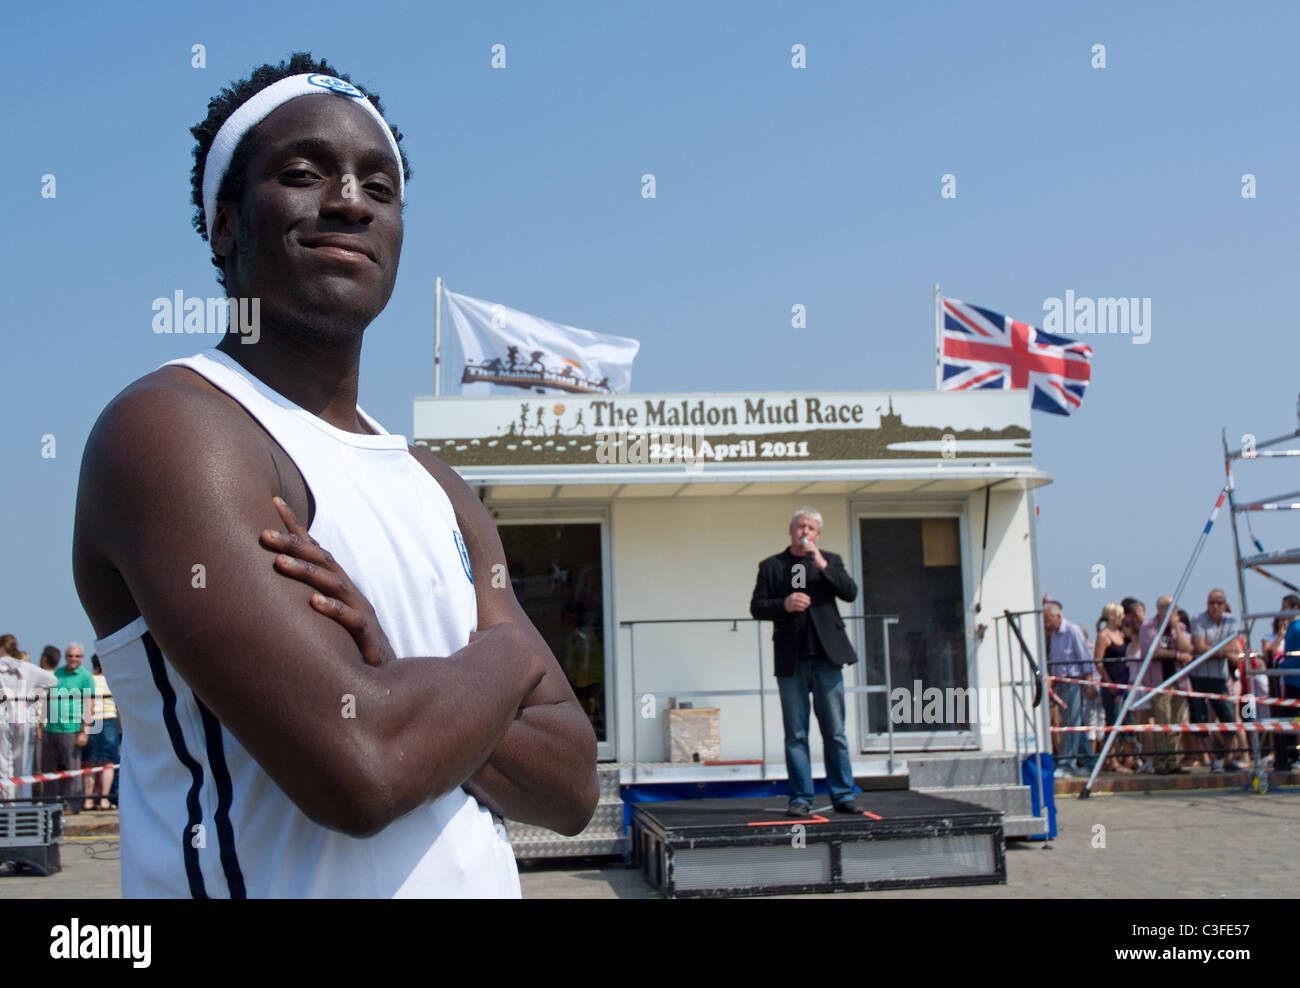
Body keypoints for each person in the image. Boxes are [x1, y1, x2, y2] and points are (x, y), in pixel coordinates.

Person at [71, 54, 597, 898]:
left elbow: (571, 785)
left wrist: (388, 665)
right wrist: (503, 658)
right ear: (227, 225)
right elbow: (364, 768)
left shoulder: (437, 484)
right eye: (305, 173)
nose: (350, 200)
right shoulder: (176, 429)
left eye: (380, 187)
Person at [750, 507, 860, 817]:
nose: (805, 532)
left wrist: (821, 563)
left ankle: (842, 794)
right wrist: (784, 604)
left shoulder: (831, 561)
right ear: (790, 529)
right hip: (792, 660)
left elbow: (850, 592)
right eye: (801, 526)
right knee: (796, 734)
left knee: (835, 731)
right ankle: (800, 798)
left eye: (811, 528)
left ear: (818, 534)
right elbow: (757, 606)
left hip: (827, 658)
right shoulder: (772, 566)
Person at [1190, 589, 1244, 772]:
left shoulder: (1232, 621)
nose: (1214, 606)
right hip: (1198, 677)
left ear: (1224, 604)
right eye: (1211, 602)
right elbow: (1200, 647)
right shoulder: (1198, 619)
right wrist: (1223, 653)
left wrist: (1215, 651)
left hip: (1220, 678)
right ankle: (1213, 760)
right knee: (1201, 720)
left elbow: (1234, 646)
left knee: (1229, 720)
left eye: (1218, 602)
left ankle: (1229, 759)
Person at [1138, 596, 1191, 774]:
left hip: (1179, 682)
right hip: (1159, 682)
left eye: (1174, 607)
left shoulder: (1180, 628)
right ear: (1159, 608)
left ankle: (1174, 761)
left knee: (1176, 722)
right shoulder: (1148, 628)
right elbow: (1152, 651)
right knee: (1163, 722)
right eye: (1167, 607)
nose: (1171, 610)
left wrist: (1176, 626)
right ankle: (1161, 762)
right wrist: (1176, 655)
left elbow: (1187, 649)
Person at [1043, 601, 1095, 777]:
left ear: (1058, 616)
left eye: (1048, 620)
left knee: (1071, 723)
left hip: (1074, 681)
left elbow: (1085, 657)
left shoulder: (1073, 631)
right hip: (1061, 683)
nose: (1046, 625)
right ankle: (1089, 761)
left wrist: (1089, 682)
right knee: (1073, 723)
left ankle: (1067, 763)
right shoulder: (1054, 636)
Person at [41, 643, 93, 813]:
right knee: (48, 770)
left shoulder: (86, 677)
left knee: (72, 770)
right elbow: (47, 698)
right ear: (65, 656)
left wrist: (84, 731)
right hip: (51, 728)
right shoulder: (58, 673)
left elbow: (89, 704)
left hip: (72, 729)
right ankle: (49, 804)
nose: (73, 659)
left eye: (77, 656)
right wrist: (41, 725)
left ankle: (72, 804)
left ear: (82, 658)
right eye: (70, 656)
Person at [1093, 603, 1131, 773]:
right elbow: (1098, 661)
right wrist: (1109, 682)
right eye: (1120, 615)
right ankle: (1112, 760)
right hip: (1110, 684)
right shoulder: (1104, 635)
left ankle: (1129, 758)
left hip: (1124, 682)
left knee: (1127, 720)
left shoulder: (1123, 634)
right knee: (1112, 720)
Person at [81, 654, 119, 810]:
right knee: (108, 762)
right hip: (109, 718)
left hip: (91, 719)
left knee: (90, 762)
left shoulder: (89, 680)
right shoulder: (113, 680)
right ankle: (104, 799)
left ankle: (88, 800)